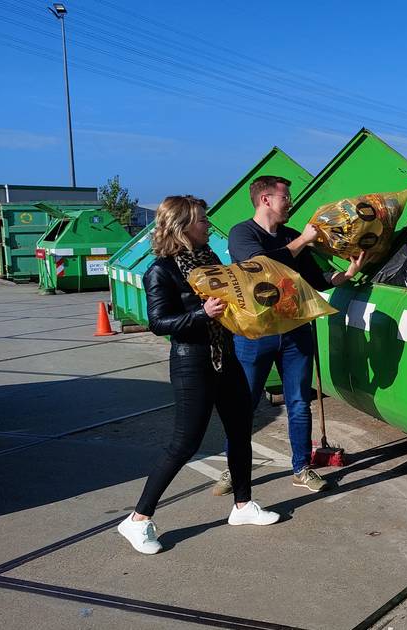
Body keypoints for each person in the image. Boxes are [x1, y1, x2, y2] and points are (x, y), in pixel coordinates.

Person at [118, 195, 279, 555]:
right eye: (203, 220)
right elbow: (159, 322)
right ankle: (137, 519)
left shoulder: (210, 261)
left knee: (241, 431)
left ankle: (242, 505)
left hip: (226, 357)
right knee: (184, 443)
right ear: (183, 226)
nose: (208, 225)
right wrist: (202, 314)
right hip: (192, 362)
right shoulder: (161, 270)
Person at [218, 176, 366, 494]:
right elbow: (260, 266)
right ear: (266, 200)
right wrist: (303, 242)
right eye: (285, 197)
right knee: (245, 404)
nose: (290, 203)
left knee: (299, 402)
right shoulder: (242, 233)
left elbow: (314, 278)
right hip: (256, 334)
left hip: (295, 331)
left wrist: (344, 275)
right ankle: (233, 469)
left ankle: (302, 468)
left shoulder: (290, 235)